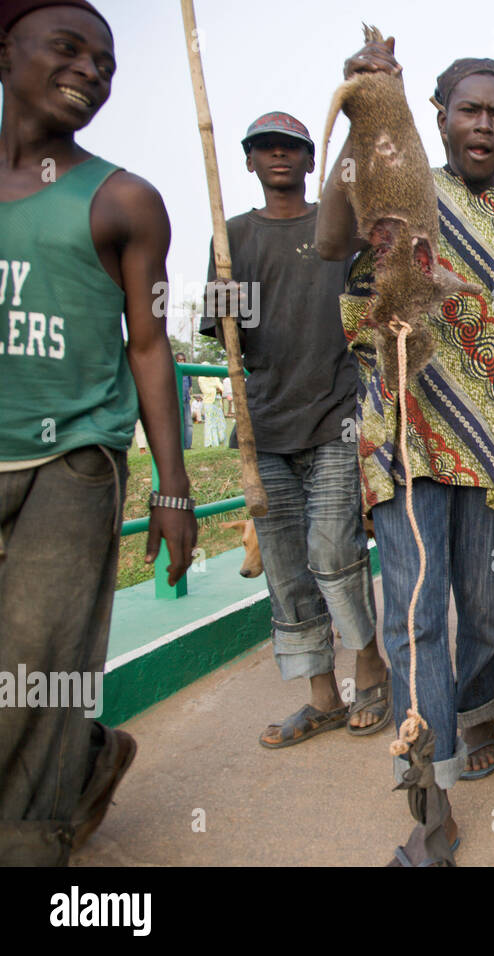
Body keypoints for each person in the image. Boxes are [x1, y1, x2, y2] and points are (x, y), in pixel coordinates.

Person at [318, 38, 494, 865]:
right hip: (406, 434)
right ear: (437, 117)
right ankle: (430, 802)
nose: (484, 124)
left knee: (479, 597)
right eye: (469, 109)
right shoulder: (401, 191)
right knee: (414, 612)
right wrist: (367, 116)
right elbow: (330, 241)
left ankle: (472, 711)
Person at [0, 0, 196, 865]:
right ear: (6, 53)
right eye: (68, 50)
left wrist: (174, 487)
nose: (90, 71)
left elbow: (149, 345)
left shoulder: (123, 200)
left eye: (105, 63)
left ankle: (31, 846)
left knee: (36, 671)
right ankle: (87, 756)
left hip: (71, 459)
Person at [202, 110, 386, 748]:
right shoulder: (231, 240)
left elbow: (376, 296)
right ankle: (321, 696)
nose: (279, 156)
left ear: (312, 162)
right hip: (266, 428)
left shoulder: (339, 230)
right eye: (265, 148)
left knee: (335, 553)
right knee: (284, 568)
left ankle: (369, 663)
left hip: (335, 416)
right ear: (250, 161)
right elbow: (230, 339)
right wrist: (225, 301)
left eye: (292, 148)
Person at [175, 350, 192, 450]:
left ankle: (188, 446)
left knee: (188, 423)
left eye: (183, 360)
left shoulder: (187, 371)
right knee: (177, 423)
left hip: (186, 399)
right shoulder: (173, 370)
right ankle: (178, 446)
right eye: (179, 360)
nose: (181, 362)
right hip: (176, 400)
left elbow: (189, 385)